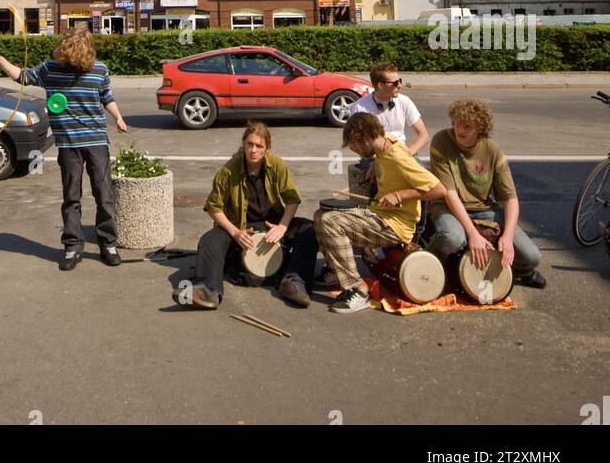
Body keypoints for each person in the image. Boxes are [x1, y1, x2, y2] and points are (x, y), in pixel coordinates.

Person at [314, 112, 489, 313]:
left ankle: (357, 290)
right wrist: (375, 163)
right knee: (320, 216)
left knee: (331, 221)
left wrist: (400, 195)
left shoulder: (398, 157)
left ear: (364, 137)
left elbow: (439, 189)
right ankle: (338, 273)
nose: (355, 151)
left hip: (395, 226)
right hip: (379, 215)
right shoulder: (385, 145)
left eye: (355, 145)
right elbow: (386, 146)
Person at [0, 28, 127, 270]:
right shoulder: (51, 69)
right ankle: (73, 247)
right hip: (68, 144)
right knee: (71, 196)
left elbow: (107, 97)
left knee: (104, 195)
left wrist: (118, 117)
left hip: (96, 142)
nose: (66, 56)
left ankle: (108, 244)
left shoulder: (100, 70)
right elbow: (22, 76)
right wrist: (2, 62)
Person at [174, 122, 320, 309]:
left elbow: (292, 199)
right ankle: (208, 290)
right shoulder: (229, 171)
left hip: (271, 223)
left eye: (259, 146)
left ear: (266, 148)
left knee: (309, 230)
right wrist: (235, 233)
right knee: (209, 240)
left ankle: (293, 282)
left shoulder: (276, 166)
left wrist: (282, 227)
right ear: (243, 144)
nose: (253, 150)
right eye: (250, 144)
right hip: (239, 227)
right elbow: (213, 207)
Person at [427, 99, 546, 288]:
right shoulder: (441, 141)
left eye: (468, 126)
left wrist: (507, 237)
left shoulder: (492, 149)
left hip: (482, 208)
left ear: (480, 128)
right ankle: (432, 260)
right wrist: (473, 234)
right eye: (458, 124)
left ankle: (517, 271)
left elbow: (510, 198)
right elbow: (449, 194)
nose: (461, 130)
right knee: (453, 239)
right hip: (447, 206)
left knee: (532, 256)